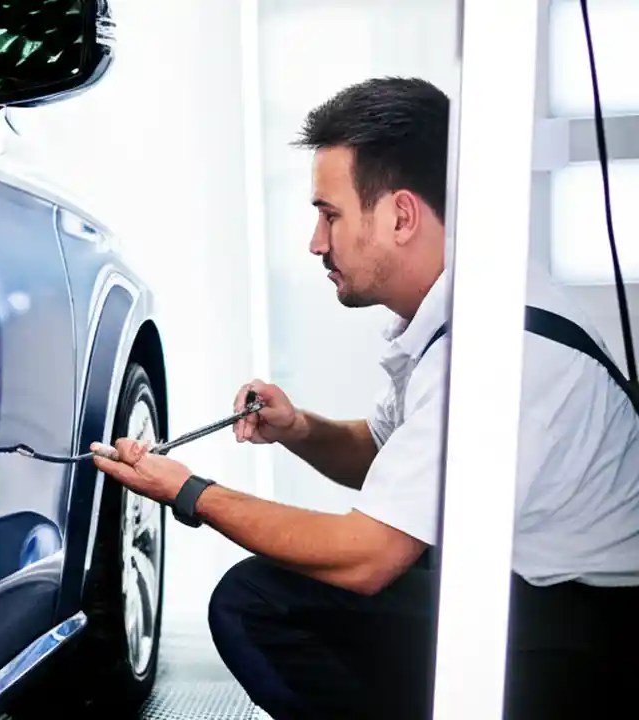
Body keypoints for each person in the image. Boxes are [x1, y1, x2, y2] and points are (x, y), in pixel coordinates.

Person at [91, 77, 639, 719]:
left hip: (591, 636)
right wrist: (297, 428)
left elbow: (370, 559)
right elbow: (386, 453)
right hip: (547, 602)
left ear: (401, 216)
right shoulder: (464, 309)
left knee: (258, 601)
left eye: (330, 215)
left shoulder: (491, 352)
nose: (316, 242)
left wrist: (189, 492)